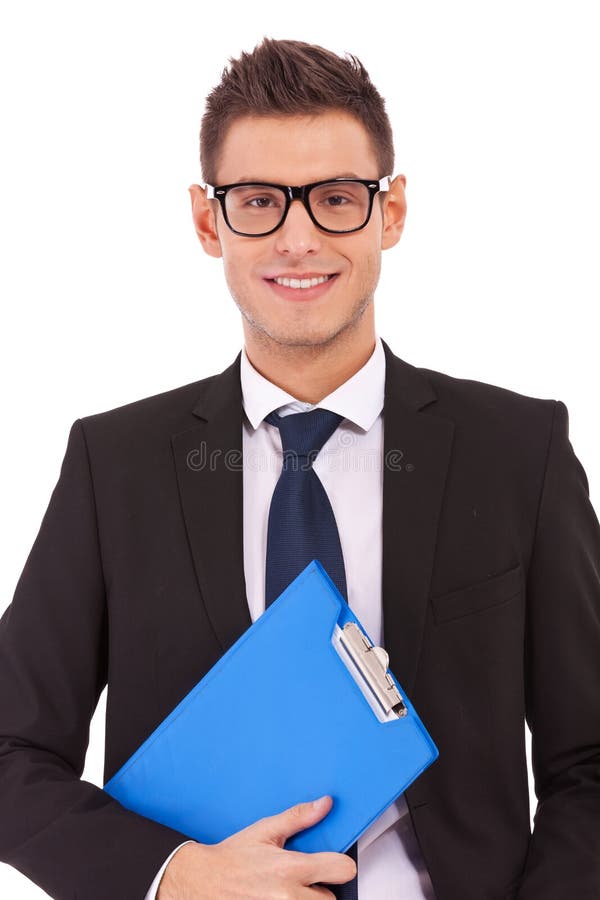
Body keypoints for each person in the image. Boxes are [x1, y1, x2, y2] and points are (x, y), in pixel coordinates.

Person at [0, 36, 599, 900]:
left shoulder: (519, 450)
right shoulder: (115, 464)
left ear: (390, 212)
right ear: (210, 222)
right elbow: (14, 752)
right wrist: (175, 877)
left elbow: (591, 758)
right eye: (258, 202)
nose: (298, 237)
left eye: (335, 199)